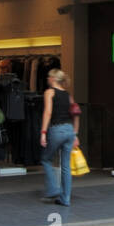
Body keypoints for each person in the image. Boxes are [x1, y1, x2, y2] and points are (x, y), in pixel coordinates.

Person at [39, 69, 76, 206]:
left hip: (57, 129)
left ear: (53, 79)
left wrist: (43, 132)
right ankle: (65, 199)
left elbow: (48, 113)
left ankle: (54, 188)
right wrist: (75, 133)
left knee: (46, 159)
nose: (47, 78)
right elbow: (75, 113)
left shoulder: (49, 92)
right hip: (69, 129)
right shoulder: (68, 95)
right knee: (66, 165)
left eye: (49, 76)